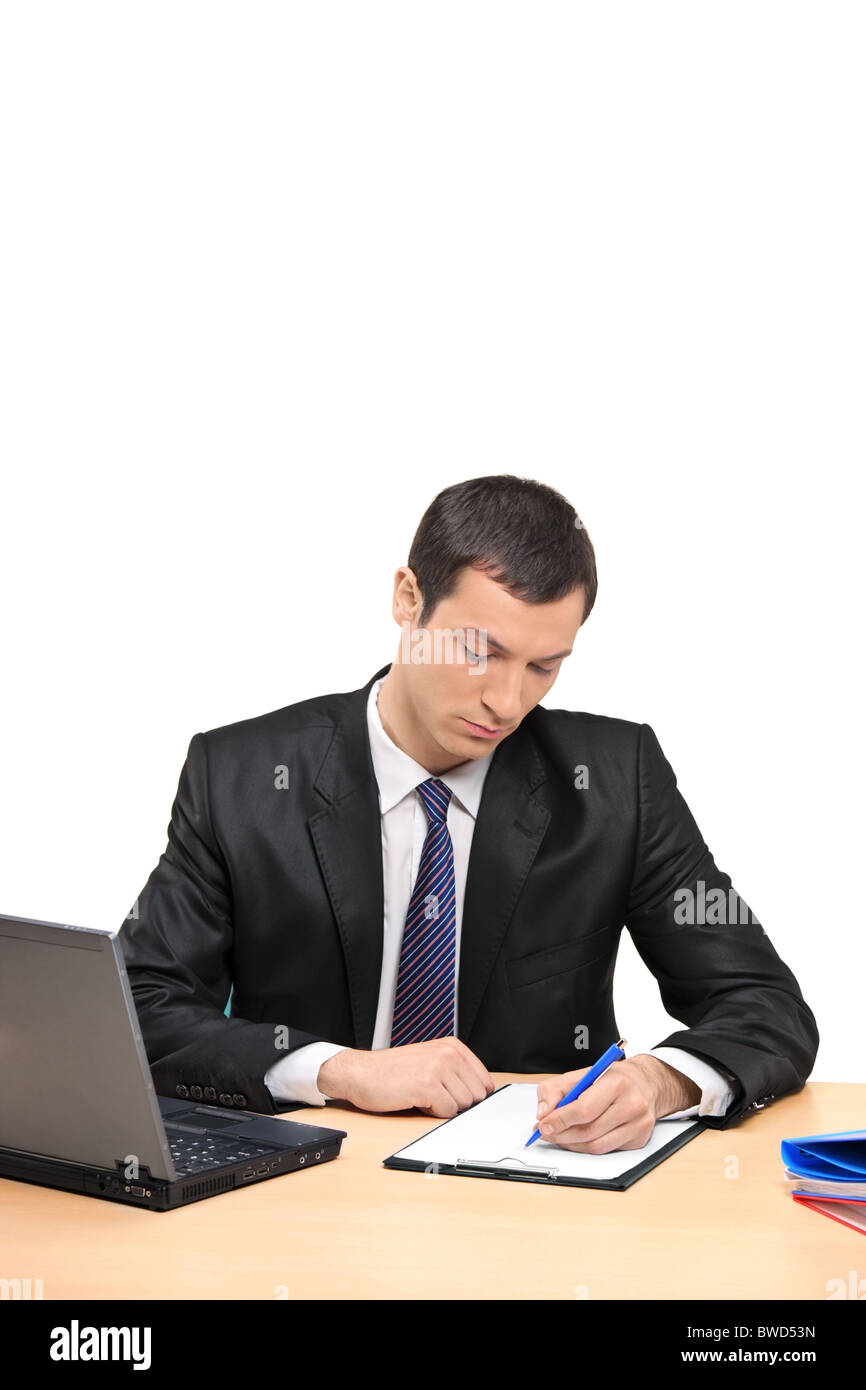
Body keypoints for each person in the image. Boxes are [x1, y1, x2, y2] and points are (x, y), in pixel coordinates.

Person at [120, 475, 818, 1154]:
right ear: (407, 599)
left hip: (535, 1184)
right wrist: (337, 1068)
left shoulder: (616, 780)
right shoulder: (240, 776)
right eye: (479, 651)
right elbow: (139, 1007)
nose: (508, 702)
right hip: (309, 1179)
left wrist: (659, 1081)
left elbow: (766, 1004)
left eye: (544, 666)